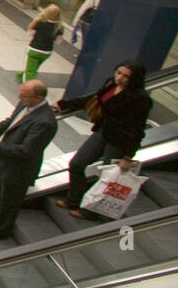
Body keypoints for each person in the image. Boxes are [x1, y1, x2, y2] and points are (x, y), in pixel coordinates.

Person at [55, 60, 151, 218]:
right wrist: (63, 104)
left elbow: (137, 129)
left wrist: (128, 156)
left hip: (119, 141)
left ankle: (91, 211)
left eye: (126, 76)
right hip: (102, 131)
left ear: (134, 78)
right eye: (119, 72)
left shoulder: (140, 99)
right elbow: (93, 99)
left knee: (107, 176)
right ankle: (73, 199)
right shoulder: (110, 85)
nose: (120, 77)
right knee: (77, 163)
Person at [0, 80, 59, 240]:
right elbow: (11, 122)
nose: (20, 98)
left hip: (19, 169)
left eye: (24, 96)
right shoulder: (25, 104)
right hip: (3, 159)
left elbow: (26, 151)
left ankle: (0, 230)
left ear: (38, 97)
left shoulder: (45, 122)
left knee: (9, 201)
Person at [21, 5, 63, 82]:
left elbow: (30, 33)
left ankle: (29, 87)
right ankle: (22, 76)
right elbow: (58, 41)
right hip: (46, 52)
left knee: (30, 70)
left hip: (34, 49)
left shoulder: (40, 23)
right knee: (35, 67)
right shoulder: (59, 27)